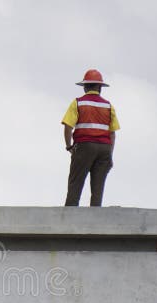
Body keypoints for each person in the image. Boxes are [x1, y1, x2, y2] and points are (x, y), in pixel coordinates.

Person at [61, 69, 120, 206]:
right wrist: (109, 155)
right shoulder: (108, 106)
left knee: (75, 184)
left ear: (85, 87)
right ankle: (95, 218)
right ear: (100, 87)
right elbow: (112, 133)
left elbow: (68, 126)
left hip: (84, 147)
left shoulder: (78, 103)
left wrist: (69, 145)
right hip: (104, 149)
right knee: (98, 188)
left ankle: (70, 216)